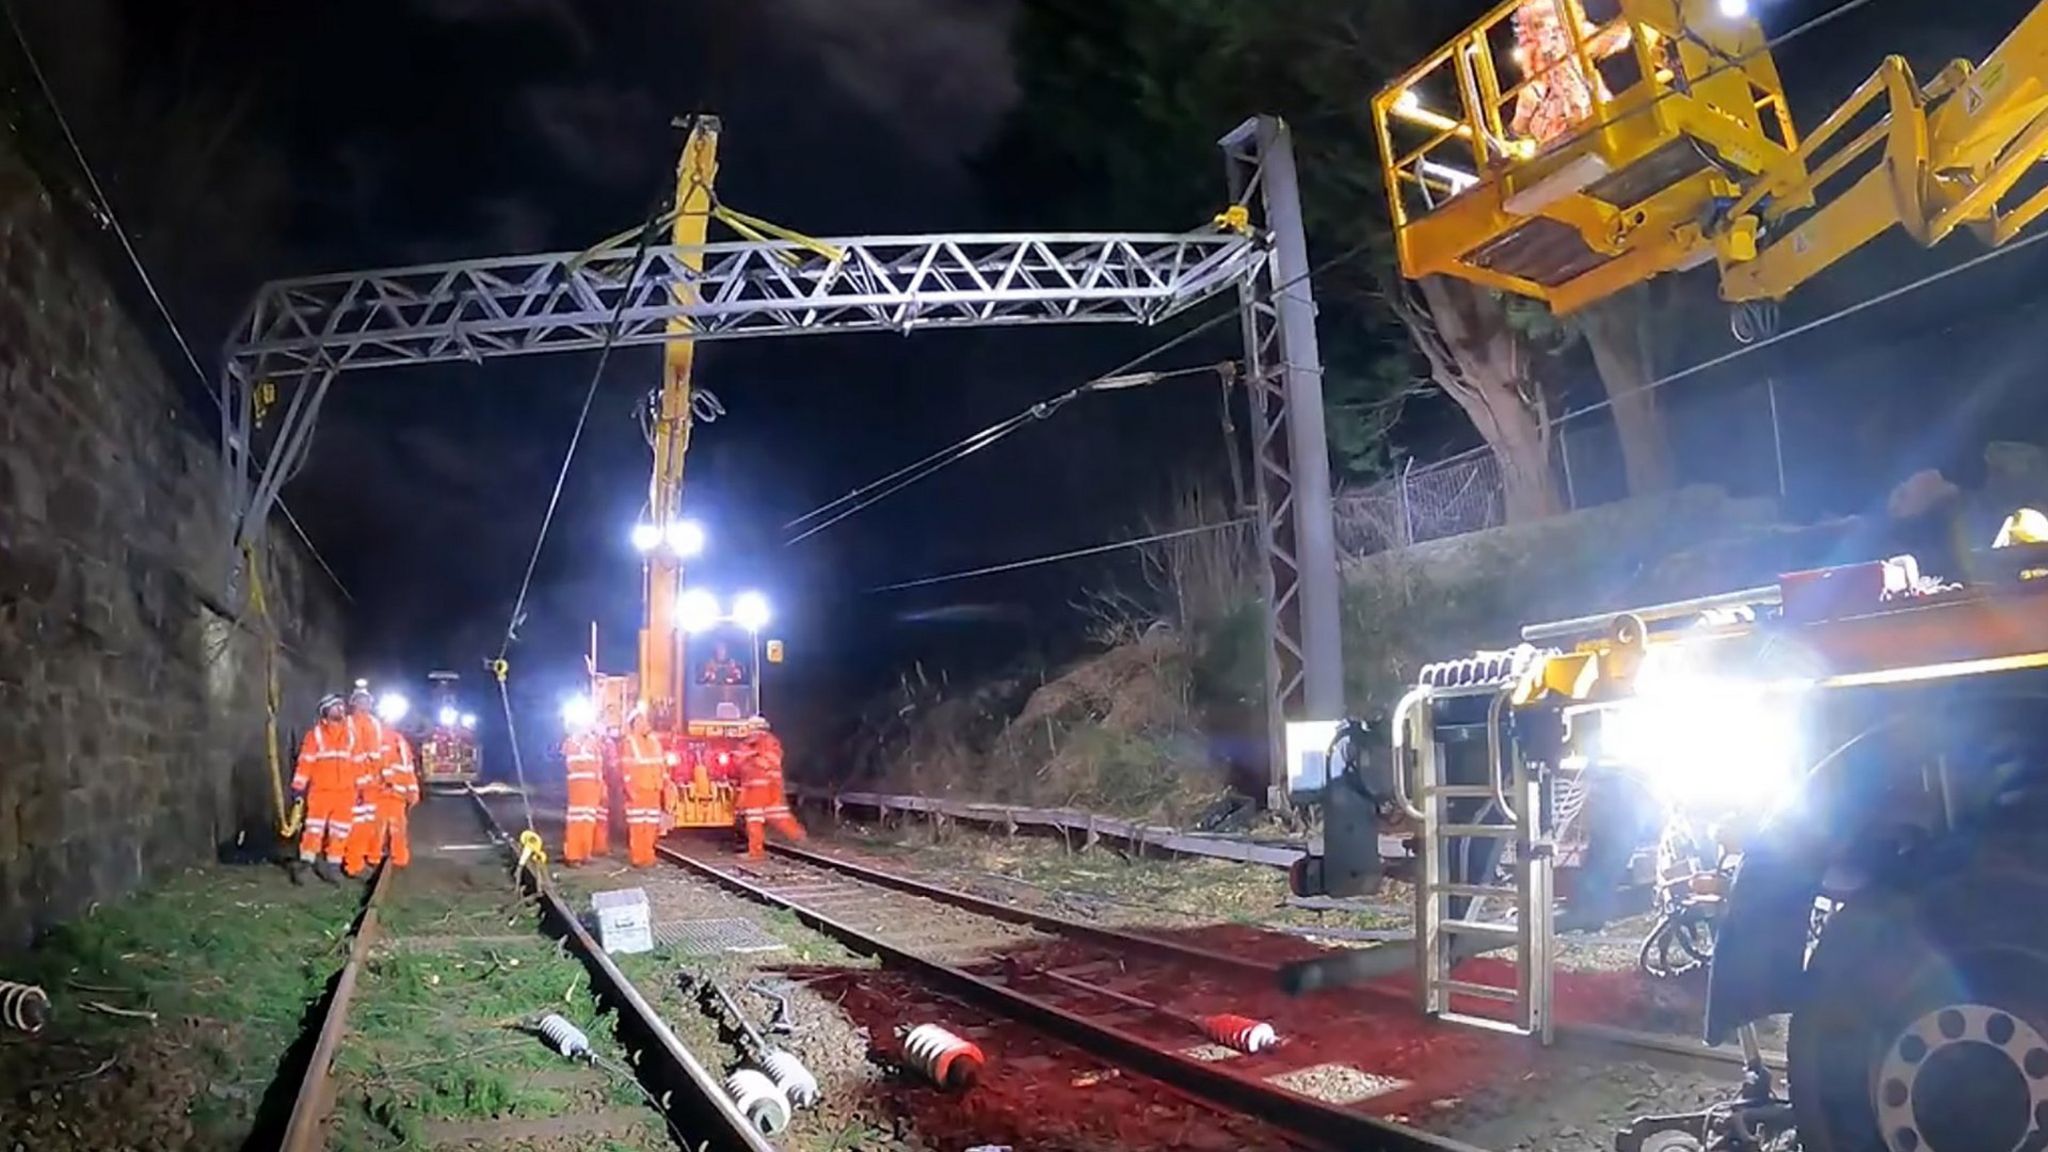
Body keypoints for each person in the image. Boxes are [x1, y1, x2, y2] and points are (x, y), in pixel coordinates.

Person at [1509, 0, 1635, 147]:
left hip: (1569, 128)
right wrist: (1630, 19)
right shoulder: (1558, 28)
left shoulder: (1540, 47)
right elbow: (1605, 41)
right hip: (1579, 124)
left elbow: (1603, 41)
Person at [290, 694, 358, 882]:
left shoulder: (350, 735)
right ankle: (306, 865)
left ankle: (333, 866)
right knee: (314, 829)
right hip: (321, 791)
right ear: (325, 711)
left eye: (341, 706)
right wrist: (298, 787)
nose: (340, 710)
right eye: (335, 707)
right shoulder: (315, 736)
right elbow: (305, 763)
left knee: (340, 830)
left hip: (345, 792)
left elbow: (357, 763)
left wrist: (361, 786)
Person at [342, 684, 394, 878]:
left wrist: (386, 776)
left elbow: (381, 752)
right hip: (353, 782)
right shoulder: (346, 723)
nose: (364, 705)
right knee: (354, 823)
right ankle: (352, 865)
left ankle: (363, 859)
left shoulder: (374, 724)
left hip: (371, 783)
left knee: (368, 823)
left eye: (367, 701)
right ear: (353, 703)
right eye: (360, 701)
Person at [734, 725, 805, 859]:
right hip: (773, 786)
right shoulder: (773, 743)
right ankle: (798, 836)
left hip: (756, 788)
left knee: (754, 819)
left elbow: (740, 761)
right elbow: (774, 762)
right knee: (778, 814)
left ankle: (755, 853)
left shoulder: (750, 744)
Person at [619, 705, 671, 867]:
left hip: (653, 789)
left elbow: (662, 766)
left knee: (650, 825)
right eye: (641, 720)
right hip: (638, 790)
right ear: (634, 724)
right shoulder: (629, 742)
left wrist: (665, 787)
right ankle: (639, 858)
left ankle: (648, 856)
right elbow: (626, 770)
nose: (645, 723)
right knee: (638, 826)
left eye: (645, 720)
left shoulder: (654, 741)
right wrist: (630, 790)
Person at [561, 709, 607, 865]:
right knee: (576, 821)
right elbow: (573, 762)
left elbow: (598, 765)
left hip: (591, 788)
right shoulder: (571, 742)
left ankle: (585, 852)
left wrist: (601, 786)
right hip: (578, 788)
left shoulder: (593, 742)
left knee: (588, 820)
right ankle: (573, 855)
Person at [378, 716, 420, 869]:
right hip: (379, 793)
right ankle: (374, 860)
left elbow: (408, 768)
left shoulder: (401, 742)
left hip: (397, 795)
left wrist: (413, 790)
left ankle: (399, 861)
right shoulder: (373, 738)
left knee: (398, 828)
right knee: (377, 829)